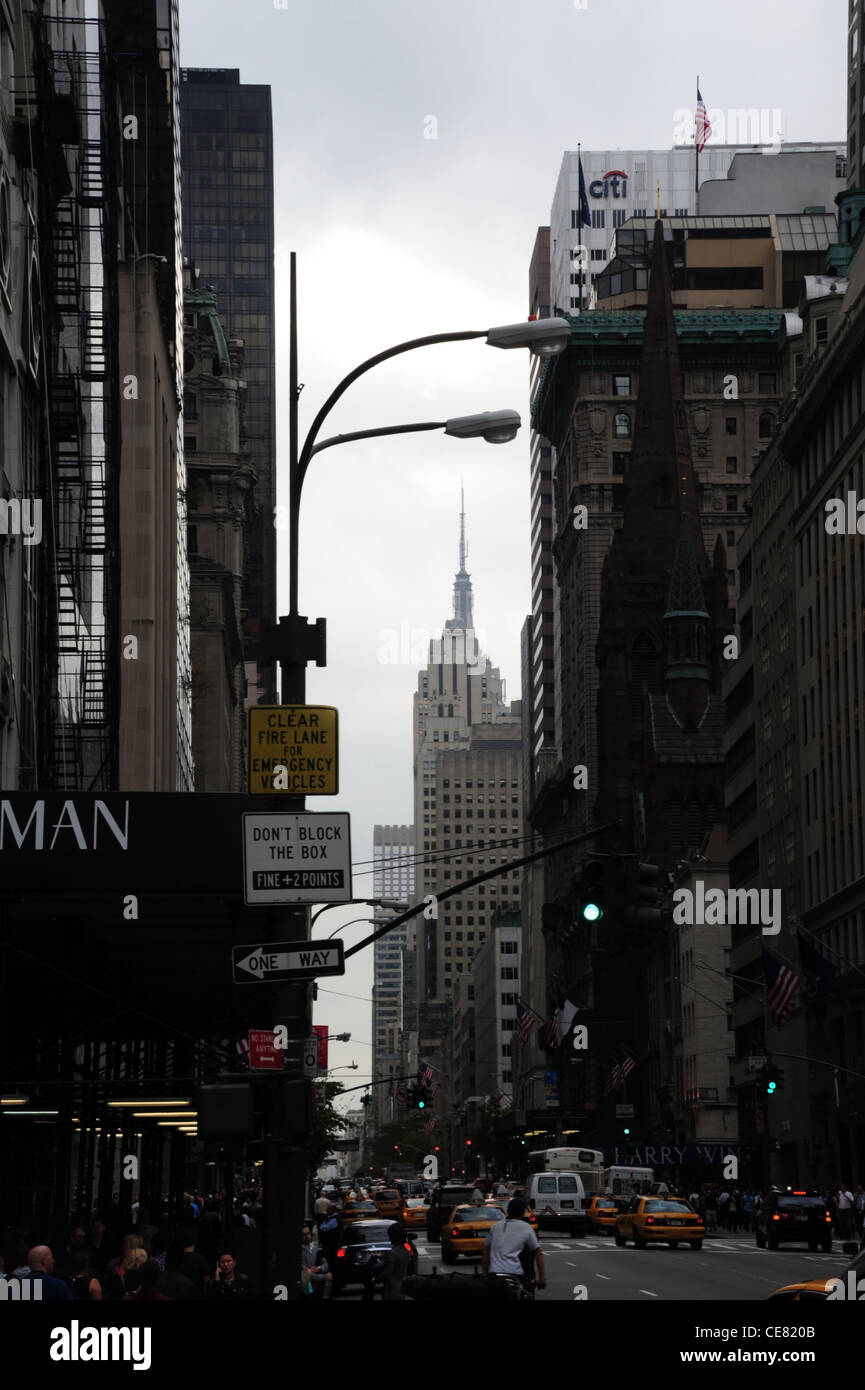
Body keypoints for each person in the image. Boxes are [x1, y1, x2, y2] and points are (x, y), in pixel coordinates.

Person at [481, 1199, 546, 1294]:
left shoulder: (496, 1227)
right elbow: (538, 1252)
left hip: (494, 1274)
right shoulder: (526, 1227)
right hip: (515, 1275)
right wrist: (542, 1278)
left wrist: (485, 1274)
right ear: (523, 1212)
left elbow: (486, 1251)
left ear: (508, 1210)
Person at [379, 1223, 411, 1301]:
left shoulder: (391, 1253)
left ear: (392, 1237)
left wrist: (376, 1280)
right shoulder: (406, 1251)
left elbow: (388, 1272)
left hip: (391, 1289)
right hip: (401, 1287)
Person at [300, 1226, 332, 1299]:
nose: (307, 1236)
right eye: (304, 1235)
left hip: (319, 1288)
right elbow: (307, 1275)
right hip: (307, 1290)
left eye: (308, 1234)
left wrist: (319, 1268)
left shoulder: (315, 1249)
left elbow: (325, 1264)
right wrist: (325, 1276)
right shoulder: (300, 1253)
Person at [177, 1229, 211, 1294]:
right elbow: (206, 1280)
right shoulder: (201, 1258)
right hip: (196, 1294)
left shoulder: (176, 1258)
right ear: (195, 1241)